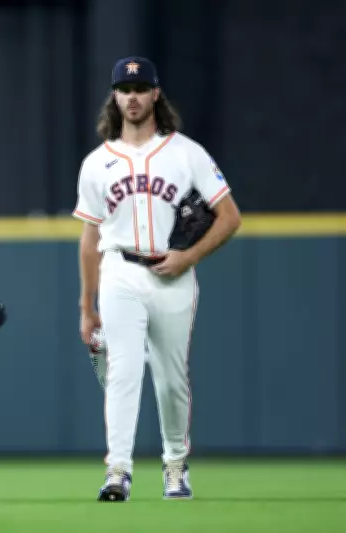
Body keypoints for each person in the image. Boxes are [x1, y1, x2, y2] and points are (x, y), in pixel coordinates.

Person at [73, 56, 242, 501]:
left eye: (141, 88)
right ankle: (118, 472)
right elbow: (89, 239)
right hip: (120, 271)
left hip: (172, 275)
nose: (132, 97)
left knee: (171, 379)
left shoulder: (187, 153)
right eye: (125, 89)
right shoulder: (96, 163)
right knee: (124, 371)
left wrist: (189, 256)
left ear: (155, 94)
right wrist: (86, 306)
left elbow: (229, 217)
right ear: (115, 96)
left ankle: (174, 465)